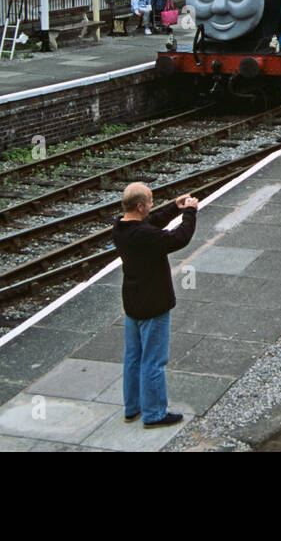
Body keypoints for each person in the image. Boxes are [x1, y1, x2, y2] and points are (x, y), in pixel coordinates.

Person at [113, 182, 199, 427]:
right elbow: (180, 237)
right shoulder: (145, 236)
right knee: (154, 360)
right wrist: (190, 211)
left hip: (133, 303)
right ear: (140, 206)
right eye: (150, 202)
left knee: (133, 357)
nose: (152, 207)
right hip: (154, 304)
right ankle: (154, 414)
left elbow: (149, 223)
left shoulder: (120, 228)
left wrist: (175, 207)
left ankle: (133, 407)